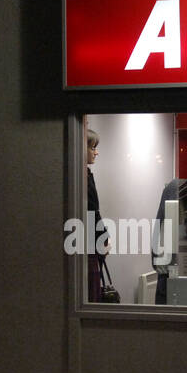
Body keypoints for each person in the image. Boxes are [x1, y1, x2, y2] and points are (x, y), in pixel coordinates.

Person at [86, 127, 106, 302]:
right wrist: (103, 239)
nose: (96, 152)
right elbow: (93, 211)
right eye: (92, 147)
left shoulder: (84, 174)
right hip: (89, 245)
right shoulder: (82, 177)